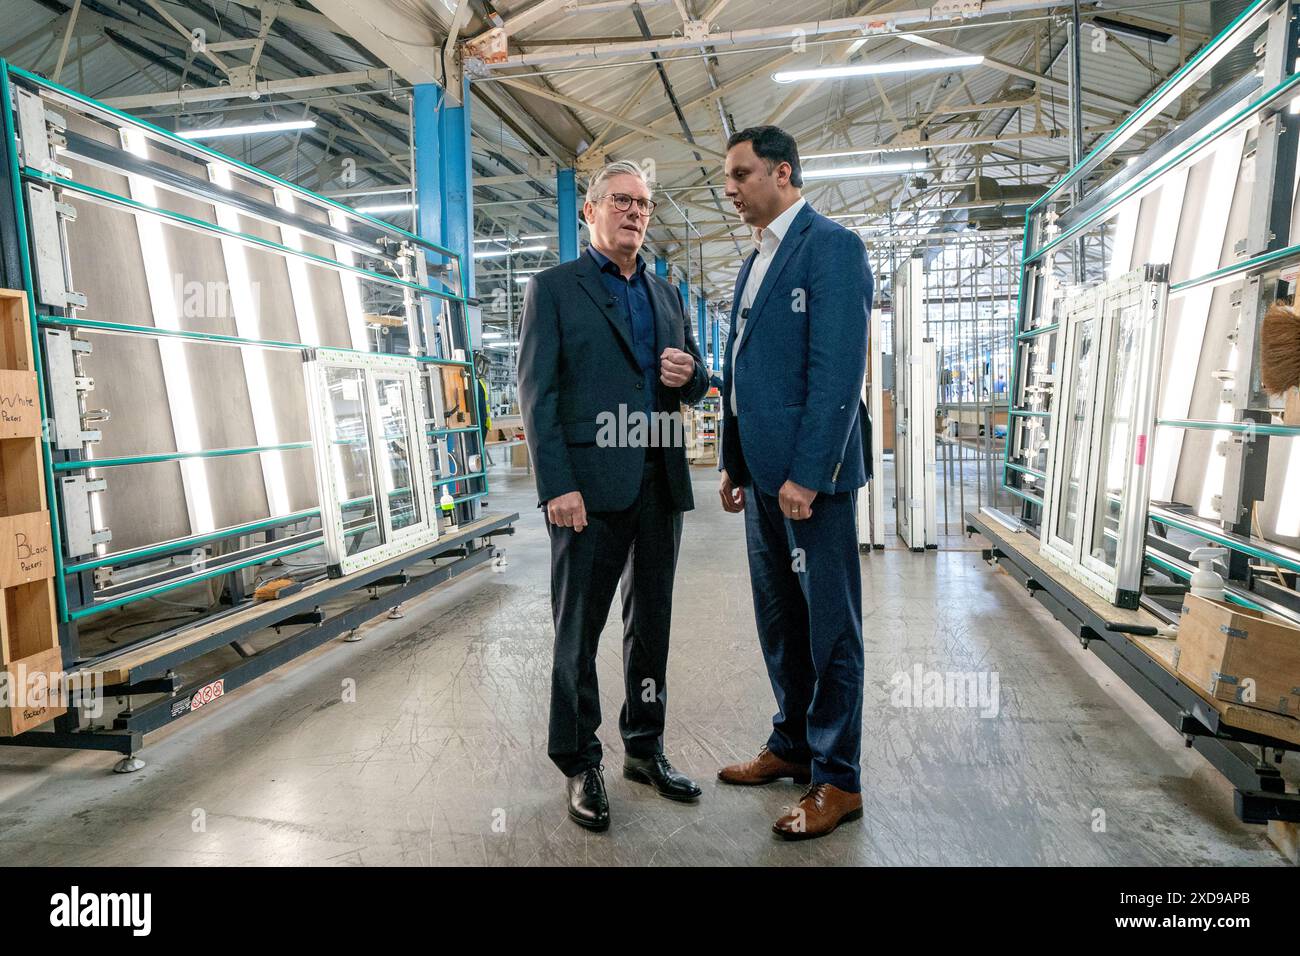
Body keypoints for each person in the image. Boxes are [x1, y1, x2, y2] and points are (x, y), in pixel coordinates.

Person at [517, 160, 711, 832]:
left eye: (644, 205)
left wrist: (692, 377)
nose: (634, 213)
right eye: (621, 201)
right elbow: (536, 396)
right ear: (591, 211)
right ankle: (578, 761)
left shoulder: (666, 296)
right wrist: (557, 486)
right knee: (578, 631)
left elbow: (691, 382)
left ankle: (644, 747)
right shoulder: (555, 290)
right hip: (587, 491)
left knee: (649, 627)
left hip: (657, 481)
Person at [715, 126, 873, 840]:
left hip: (814, 485)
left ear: (783, 173)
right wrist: (732, 460)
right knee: (780, 622)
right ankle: (791, 744)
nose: (730, 186)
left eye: (742, 173)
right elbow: (743, 369)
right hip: (763, 481)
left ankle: (837, 780)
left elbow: (837, 373)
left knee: (830, 629)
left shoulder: (832, 248)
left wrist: (809, 475)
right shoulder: (755, 262)